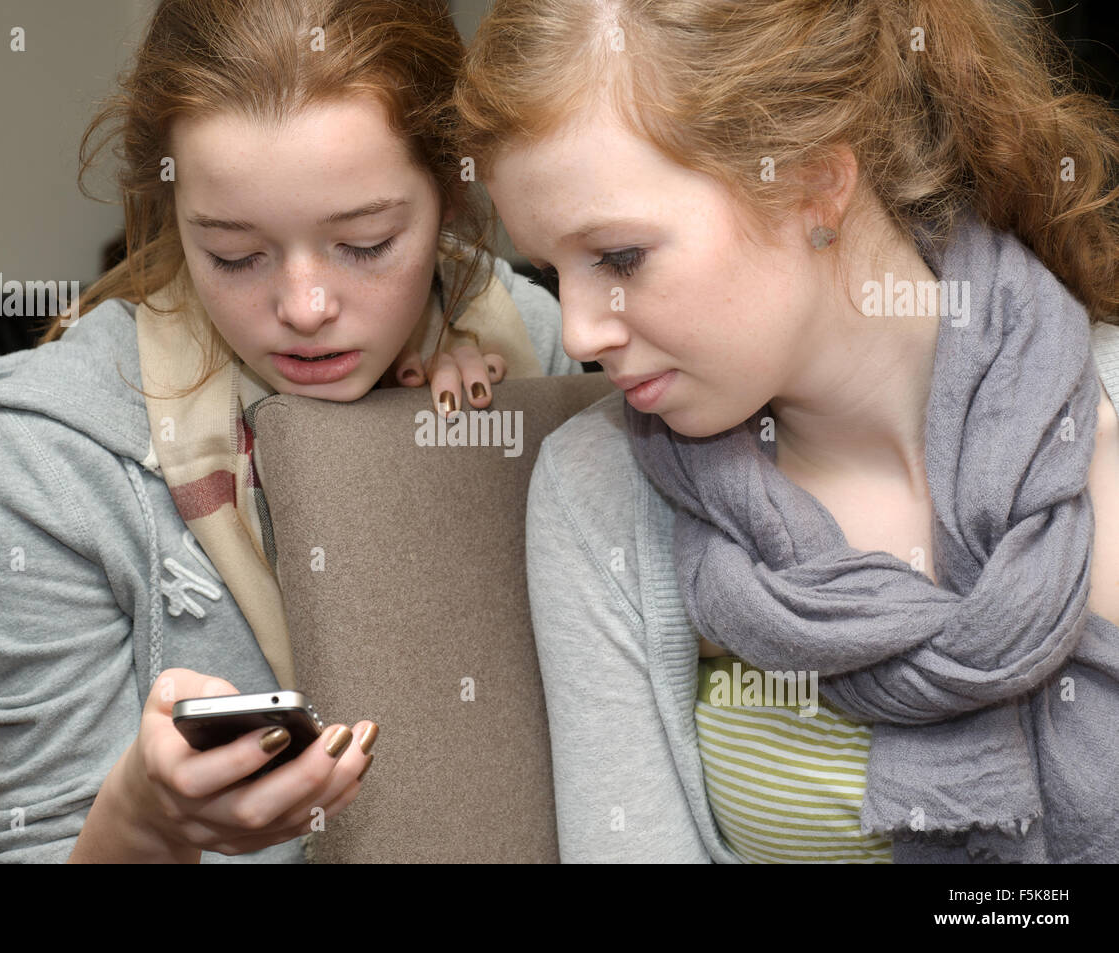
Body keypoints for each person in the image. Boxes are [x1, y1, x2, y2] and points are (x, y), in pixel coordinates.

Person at [0, 0, 580, 865]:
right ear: (169, 205)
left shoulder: (545, 348)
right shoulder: (46, 473)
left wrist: (487, 444)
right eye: (233, 254)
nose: (305, 308)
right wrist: (140, 826)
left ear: (452, 190)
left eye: (368, 243)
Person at [455, 0, 1119, 862]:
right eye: (551, 270)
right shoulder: (597, 492)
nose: (580, 333)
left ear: (814, 184)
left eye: (619, 258)